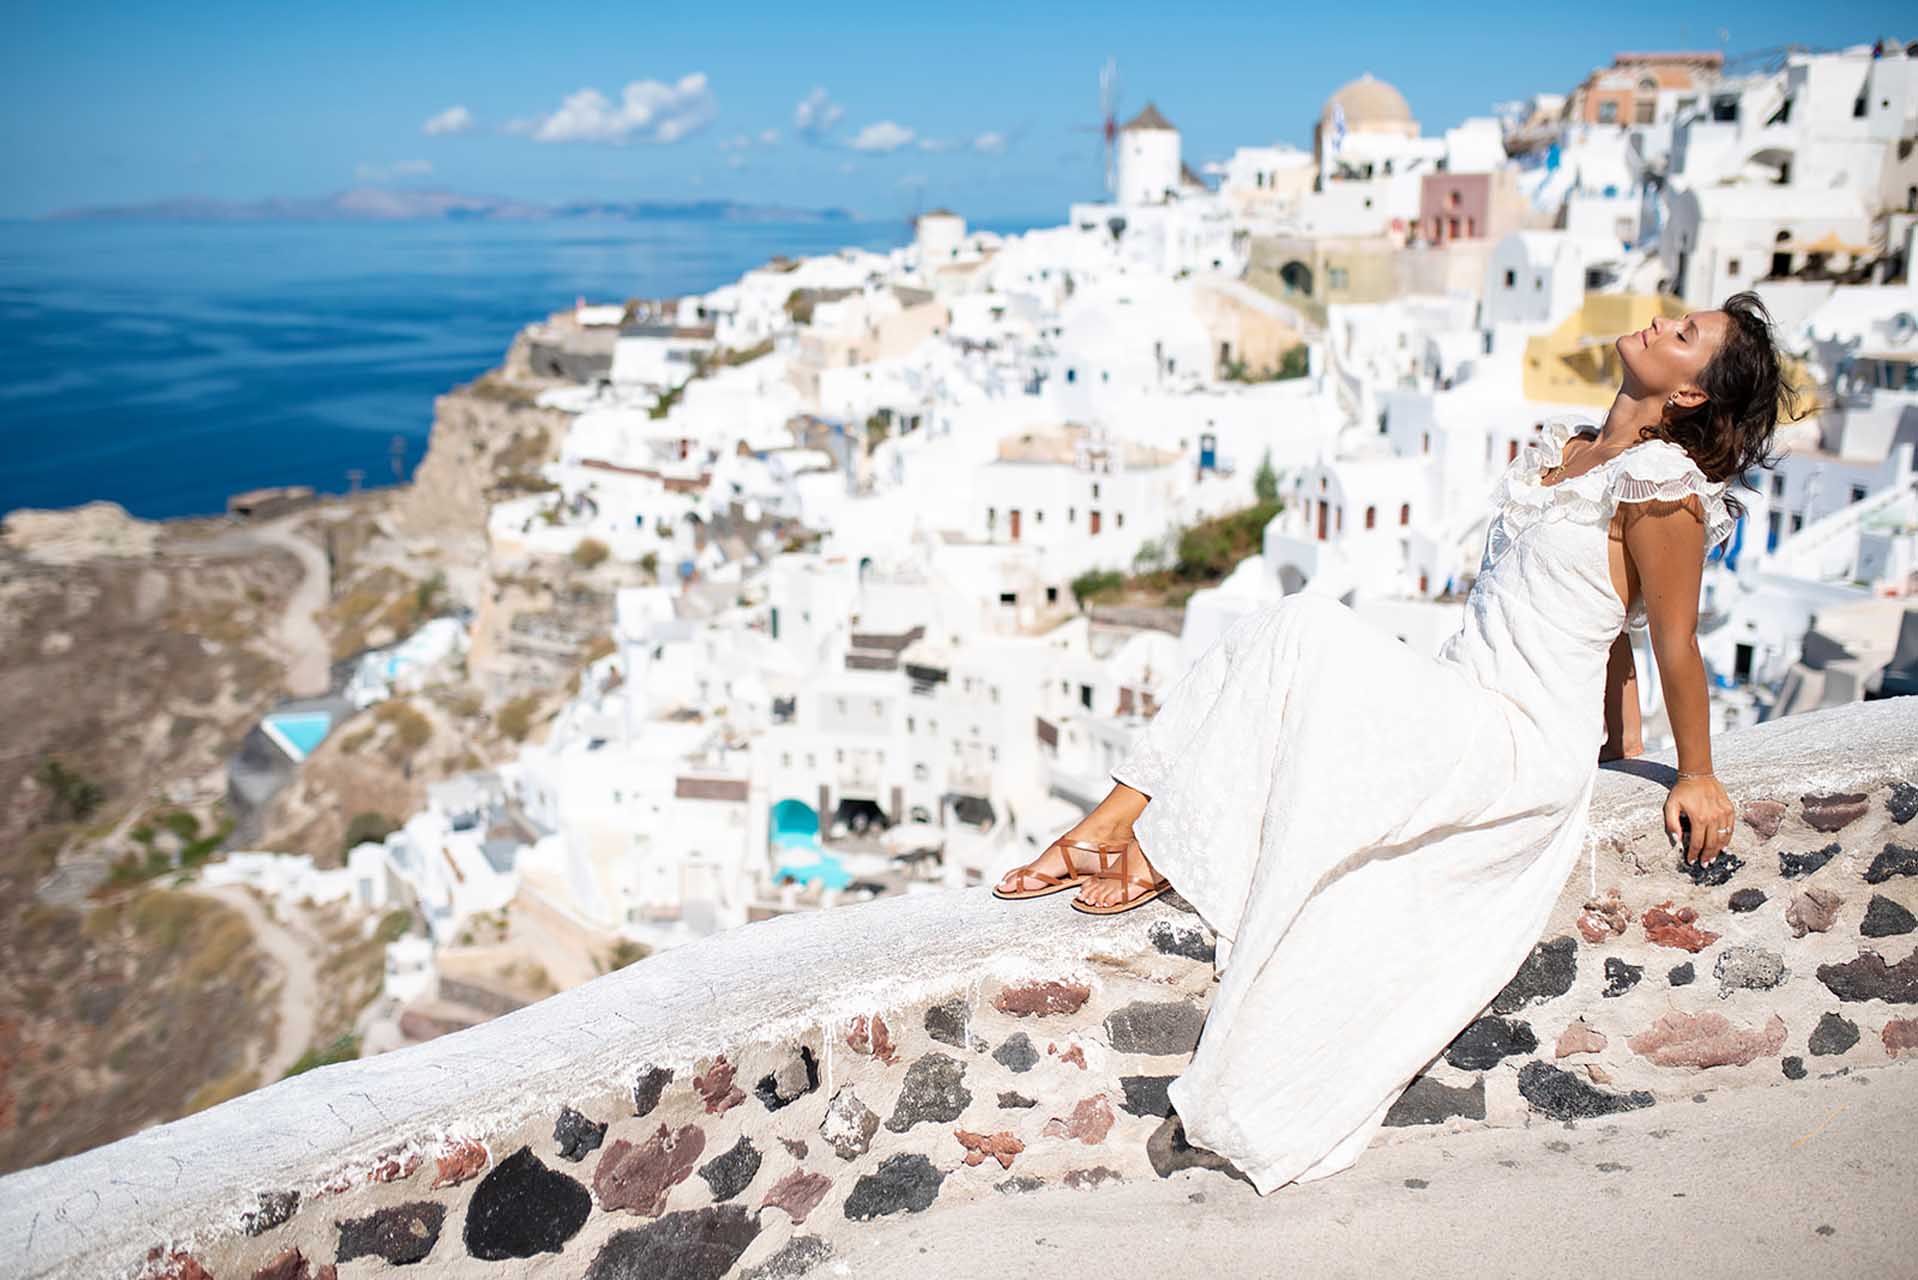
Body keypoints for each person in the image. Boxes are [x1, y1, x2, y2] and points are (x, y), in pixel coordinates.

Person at [993, 292, 1796, 1193]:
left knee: (1299, 627)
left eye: (1683, 336)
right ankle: (1118, 821)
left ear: (1691, 396)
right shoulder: (1570, 457)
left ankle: (1134, 839)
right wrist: (1624, 742)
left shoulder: (1664, 488)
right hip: (1459, 697)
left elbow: (1673, 640)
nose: (1659, 322)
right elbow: (1607, 626)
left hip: (1514, 741)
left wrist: (1695, 774)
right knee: (1277, 635)